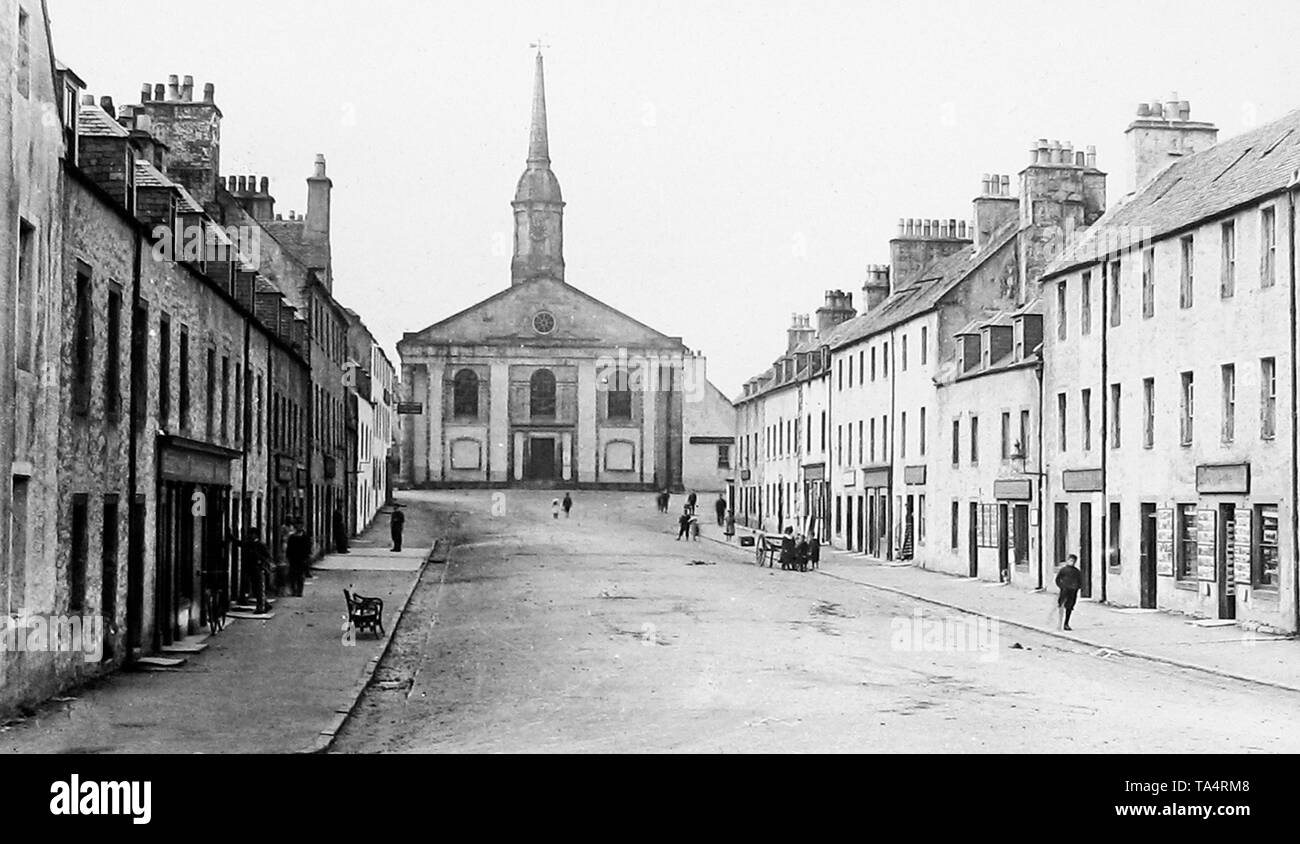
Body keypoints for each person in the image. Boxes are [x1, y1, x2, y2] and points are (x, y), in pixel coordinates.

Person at [240, 527, 272, 615]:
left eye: (251, 534)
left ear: (255, 535)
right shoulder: (249, 544)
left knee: (259, 588)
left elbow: (267, 556)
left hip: (259, 569)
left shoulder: (260, 545)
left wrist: (261, 561)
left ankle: (260, 608)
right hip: (251, 569)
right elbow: (240, 543)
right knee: (255, 589)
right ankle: (265, 604)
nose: (249, 536)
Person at [1055, 553, 1083, 631]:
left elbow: (1080, 581)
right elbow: (1057, 579)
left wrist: (1077, 587)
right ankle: (1059, 623)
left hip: (1072, 592)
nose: (1071, 562)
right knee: (1061, 606)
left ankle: (1066, 623)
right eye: (1070, 560)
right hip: (1064, 591)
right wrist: (1061, 586)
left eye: (1073, 561)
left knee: (1069, 607)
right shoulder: (1063, 570)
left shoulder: (1076, 571)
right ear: (1067, 561)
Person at [286, 521, 311, 597]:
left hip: (302, 559)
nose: (298, 526)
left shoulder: (305, 537)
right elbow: (289, 548)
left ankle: (299, 591)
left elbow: (308, 548)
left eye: (300, 525)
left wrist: (307, 557)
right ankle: (294, 590)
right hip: (293, 559)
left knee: (300, 576)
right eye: (297, 525)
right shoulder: (292, 537)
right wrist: (288, 557)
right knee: (293, 575)